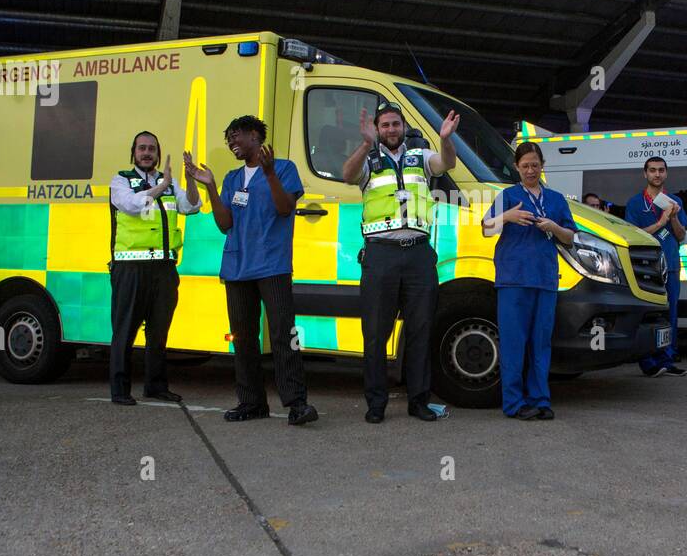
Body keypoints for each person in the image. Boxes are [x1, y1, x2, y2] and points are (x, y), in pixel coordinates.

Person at [187, 116, 319, 426]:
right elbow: (225, 224)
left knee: (284, 335)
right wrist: (211, 188)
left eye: (237, 135)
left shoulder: (283, 167)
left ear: (255, 135)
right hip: (237, 268)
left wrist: (270, 173)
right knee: (242, 338)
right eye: (228, 138)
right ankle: (251, 402)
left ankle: (297, 403)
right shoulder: (232, 178)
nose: (232, 141)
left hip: (272, 266)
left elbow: (285, 208)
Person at [341, 101, 458, 423]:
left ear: (404, 126)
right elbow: (347, 175)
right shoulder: (369, 158)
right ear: (377, 130)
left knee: (421, 330)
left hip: (419, 253)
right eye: (385, 125)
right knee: (376, 334)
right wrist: (365, 145)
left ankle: (418, 402)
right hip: (381, 254)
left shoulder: (421, 157)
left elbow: (446, 163)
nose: (391, 130)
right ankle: (376, 404)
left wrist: (446, 138)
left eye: (396, 124)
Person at [482, 142, 576, 420]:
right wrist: (507, 216)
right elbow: (486, 229)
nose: (531, 170)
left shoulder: (557, 199)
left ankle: (540, 399)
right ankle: (514, 403)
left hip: (545, 278)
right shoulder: (507, 195)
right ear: (517, 168)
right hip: (513, 279)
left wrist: (554, 227)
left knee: (540, 343)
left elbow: (570, 237)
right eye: (525, 166)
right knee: (513, 343)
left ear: (542, 165)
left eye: (535, 165)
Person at [108, 130, 200, 405]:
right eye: (142, 148)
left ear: (158, 154)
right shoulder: (121, 180)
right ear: (133, 153)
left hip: (163, 268)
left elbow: (192, 206)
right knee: (125, 331)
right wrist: (161, 187)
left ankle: (156, 386)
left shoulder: (169, 182)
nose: (147, 153)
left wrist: (191, 180)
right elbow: (133, 205)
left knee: (159, 331)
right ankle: (120, 390)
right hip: (130, 268)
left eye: (152, 149)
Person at [624, 157, 687, 376]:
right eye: (652, 170)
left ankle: (667, 360)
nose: (657, 174)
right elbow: (633, 235)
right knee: (648, 314)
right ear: (645, 174)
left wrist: (675, 217)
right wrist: (660, 223)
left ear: (666, 174)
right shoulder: (634, 203)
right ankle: (649, 362)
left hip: (670, 266)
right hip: (645, 268)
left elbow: (680, 236)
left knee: (670, 314)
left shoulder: (674, 200)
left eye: (661, 170)